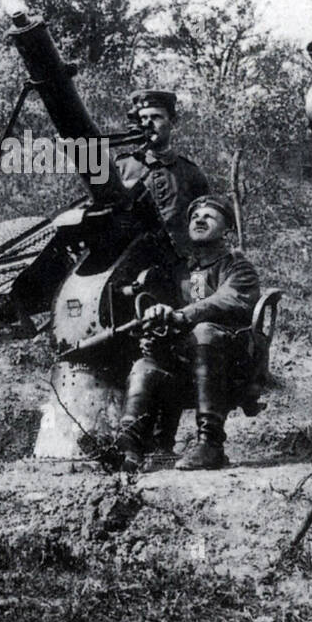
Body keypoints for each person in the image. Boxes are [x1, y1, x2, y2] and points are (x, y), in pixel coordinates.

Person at [116, 195, 260, 472]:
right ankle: (130, 448)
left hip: (231, 362)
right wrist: (158, 311)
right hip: (187, 363)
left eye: (209, 216)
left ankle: (210, 445)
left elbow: (228, 299)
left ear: (227, 230)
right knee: (144, 365)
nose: (200, 219)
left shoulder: (237, 267)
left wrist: (184, 315)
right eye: (195, 216)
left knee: (204, 332)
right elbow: (163, 302)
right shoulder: (180, 271)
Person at [112, 89, 211, 258]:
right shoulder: (122, 166)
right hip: (132, 267)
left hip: (181, 268)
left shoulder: (191, 173)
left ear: (172, 122)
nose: (148, 124)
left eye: (156, 117)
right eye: (143, 118)